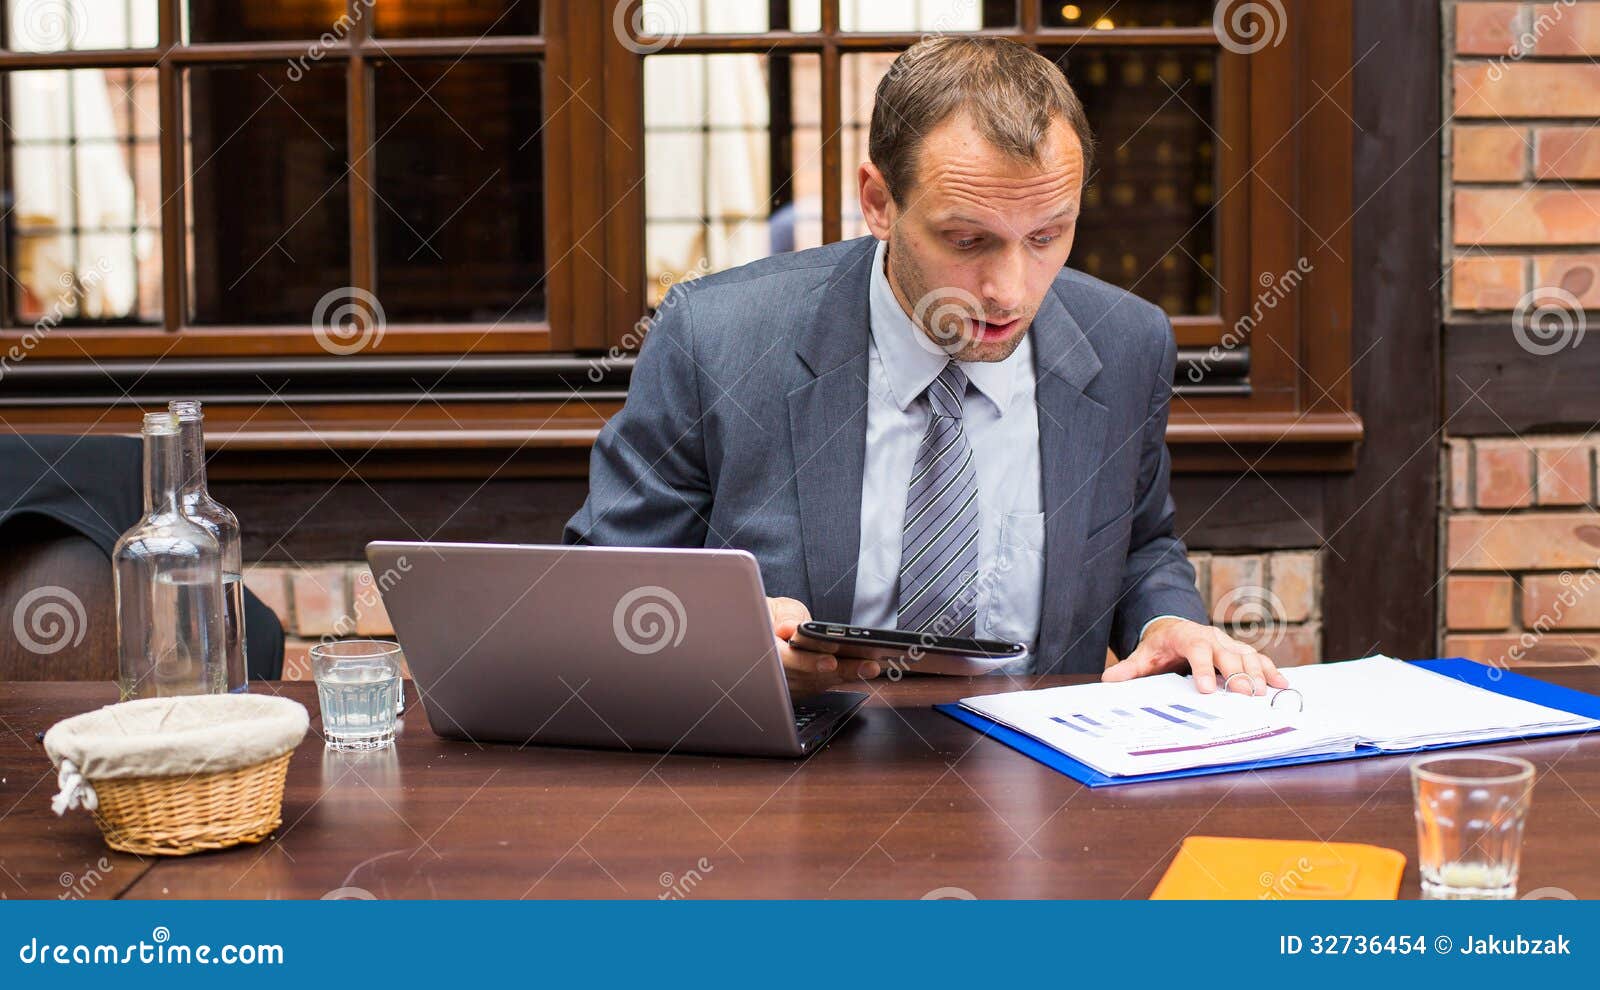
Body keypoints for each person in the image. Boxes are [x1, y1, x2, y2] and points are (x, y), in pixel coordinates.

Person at [565, 37, 1286, 699]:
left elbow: (1137, 543)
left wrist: (1165, 622)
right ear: (878, 201)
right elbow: (601, 596)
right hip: (785, 795)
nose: (1011, 290)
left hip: (1047, 797)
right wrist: (723, 642)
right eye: (968, 240)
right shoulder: (717, 339)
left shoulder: (1127, 343)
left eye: (1047, 235)